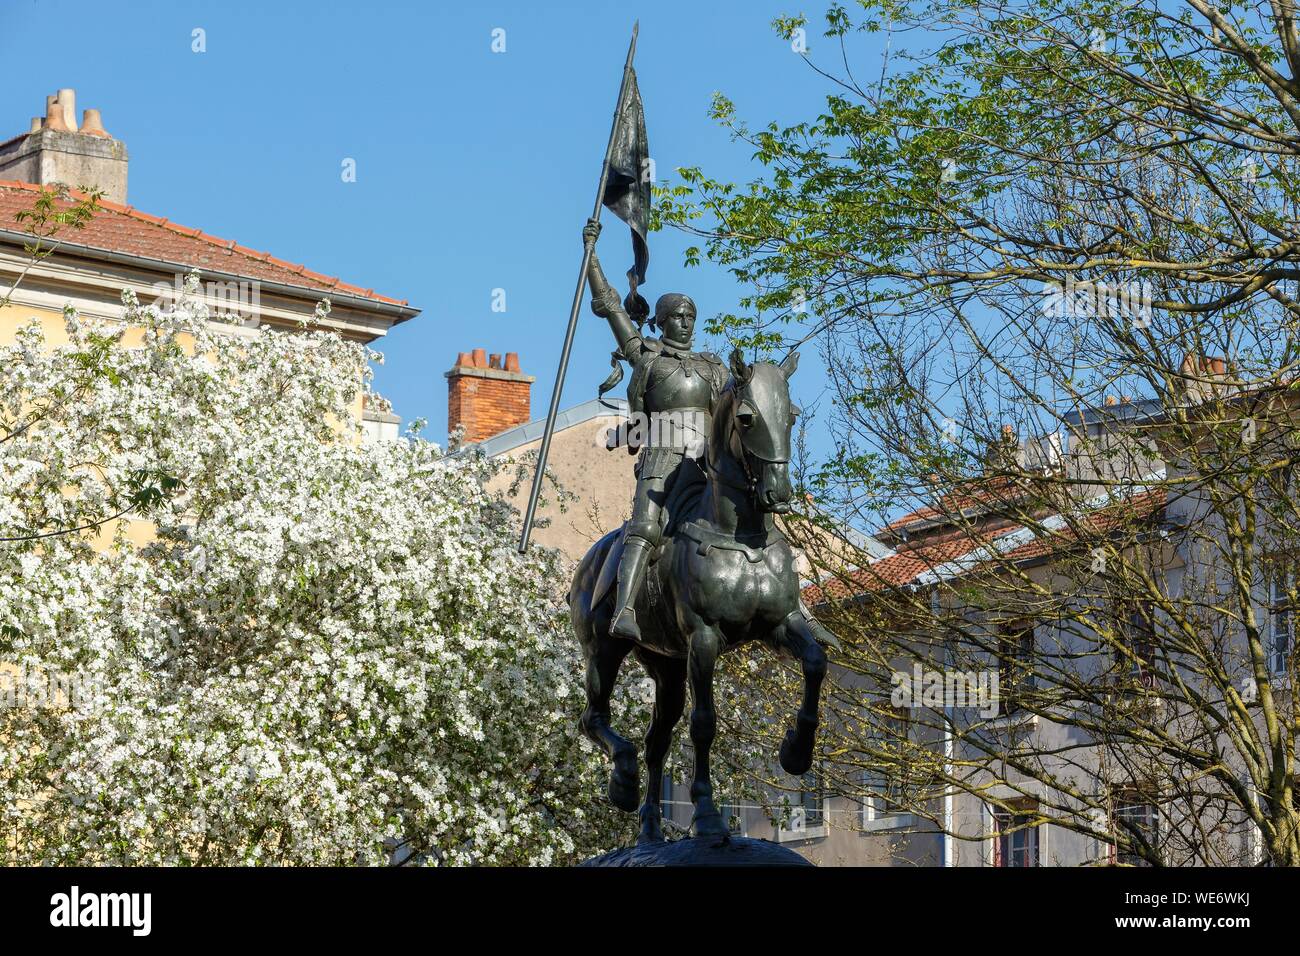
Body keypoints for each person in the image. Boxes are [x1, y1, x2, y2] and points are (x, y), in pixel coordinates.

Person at [583, 217, 728, 641]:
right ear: (661, 321)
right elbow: (610, 305)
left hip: (706, 460)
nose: (685, 322)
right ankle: (624, 608)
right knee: (645, 526)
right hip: (663, 457)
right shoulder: (648, 357)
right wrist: (591, 254)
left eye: (690, 316)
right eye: (677, 316)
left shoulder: (712, 366)